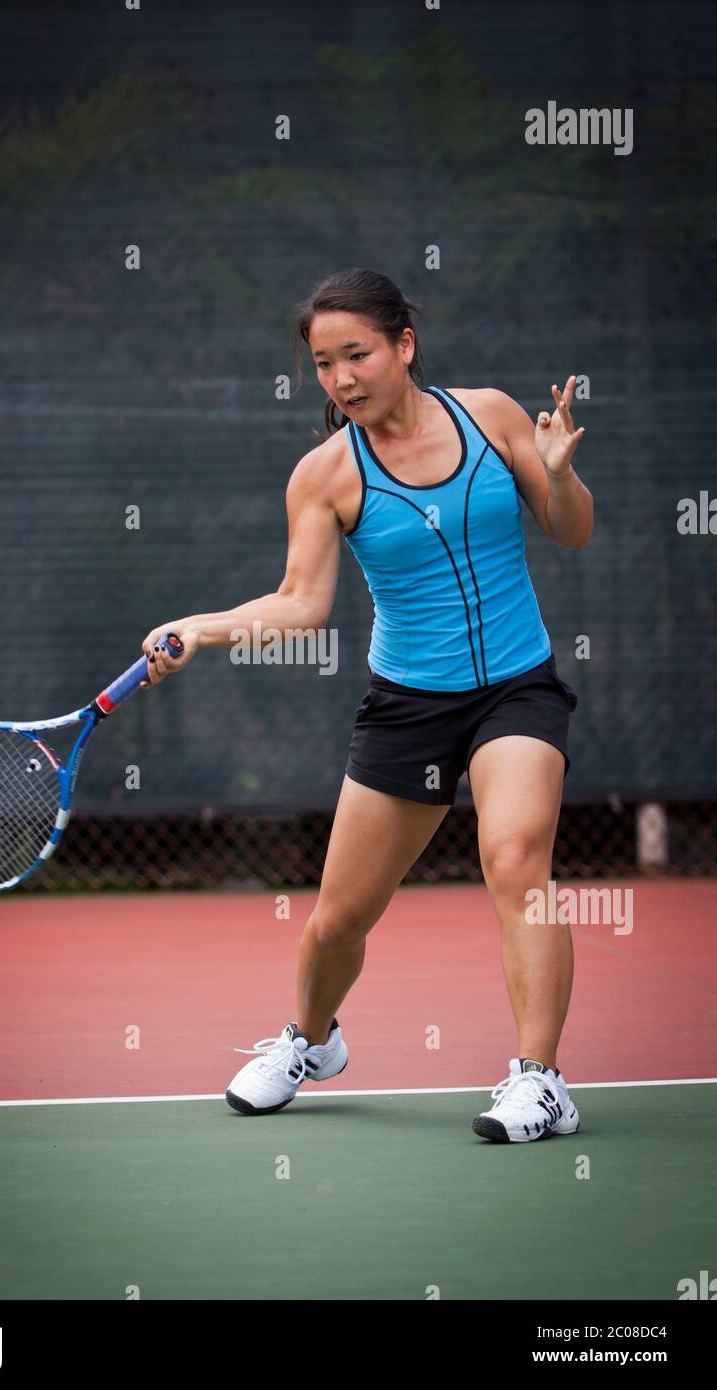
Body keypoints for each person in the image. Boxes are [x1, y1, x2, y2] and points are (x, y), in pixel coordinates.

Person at [139, 267, 592, 1144]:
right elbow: (301, 604)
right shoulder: (324, 475)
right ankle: (310, 1041)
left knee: (515, 859)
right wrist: (202, 627)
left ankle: (541, 1083)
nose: (342, 378)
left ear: (404, 346)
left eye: (357, 354)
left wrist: (562, 476)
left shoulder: (491, 415)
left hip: (518, 691)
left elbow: (570, 531)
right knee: (340, 919)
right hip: (409, 707)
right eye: (323, 363)